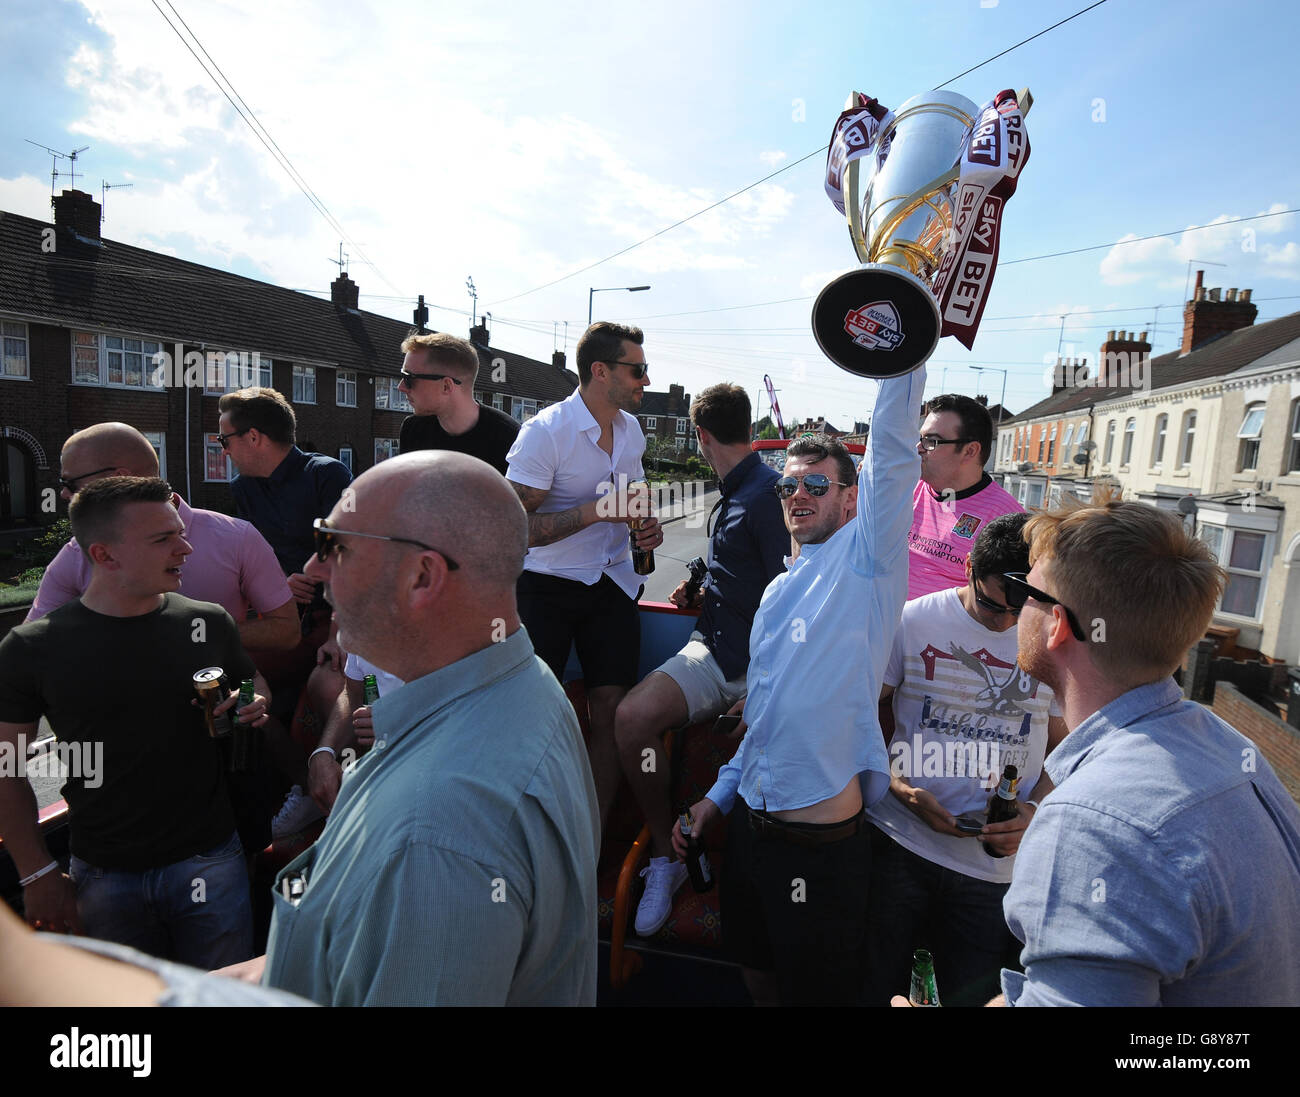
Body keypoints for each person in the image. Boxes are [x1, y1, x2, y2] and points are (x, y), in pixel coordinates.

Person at [242, 451, 599, 1005]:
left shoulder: (434, 831)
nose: (314, 570)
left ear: (422, 576)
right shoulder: (517, 678)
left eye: (334, 545)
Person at [675, 364, 926, 1006]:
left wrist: (902, 347)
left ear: (850, 498)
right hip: (752, 833)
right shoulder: (776, 593)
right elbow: (763, 721)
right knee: (756, 973)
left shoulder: (867, 565)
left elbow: (895, 456)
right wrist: (716, 798)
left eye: (818, 483)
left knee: (818, 995)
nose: (798, 494)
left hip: (820, 850)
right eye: (788, 486)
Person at [995, 492, 1300, 1006]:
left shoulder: (1094, 822)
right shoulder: (1234, 753)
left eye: (1027, 590)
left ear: (1059, 626)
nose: (1019, 602)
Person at [0, 477, 271, 969]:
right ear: (104, 556)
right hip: (101, 874)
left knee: (223, 998)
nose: (186, 547)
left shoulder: (208, 622)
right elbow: (6, 769)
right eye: (163, 538)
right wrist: (36, 874)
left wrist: (250, 703)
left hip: (211, 862)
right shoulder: (31, 649)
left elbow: (255, 685)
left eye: (179, 531)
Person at [865, 512, 1065, 1006]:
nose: (1006, 622)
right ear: (969, 566)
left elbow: (1069, 750)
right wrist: (898, 788)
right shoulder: (913, 620)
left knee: (969, 996)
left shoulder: (1053, 642)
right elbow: (860, 717)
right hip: (898, 844)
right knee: (876, 987)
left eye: (1018, 609)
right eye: (992, 606)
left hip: (992, 874)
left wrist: (1034, 811)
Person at [615, 383, 787, 936]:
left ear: (703, 436)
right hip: (711, 652)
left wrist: (763, 691)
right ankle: (668, 856)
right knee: (632, 718)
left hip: (755, 670)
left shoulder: (766, 496)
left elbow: (791, 595)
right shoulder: (736, 491)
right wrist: (704, 588)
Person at [506, 321, 664, 829]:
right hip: (546, 586)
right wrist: (598, 512)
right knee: (533, 713)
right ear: (601, 371)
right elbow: (513, 530)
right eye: (637, 369)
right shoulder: (545, 433)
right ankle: (531, 830)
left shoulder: (632, 430)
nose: (645, 379)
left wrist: (647, 528)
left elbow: (632, 503)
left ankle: (590, 838)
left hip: (613, 581)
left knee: (613, 709)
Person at [27, 422, 298, 652]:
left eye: (70, 483)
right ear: (103, 554)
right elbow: (33, 644)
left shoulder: (237, 537)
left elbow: (287, 631)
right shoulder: (77, 552)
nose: (63, 493)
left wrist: (197, 634)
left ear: (120, 479)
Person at [217, 386, 352, 589]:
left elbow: (349, 549)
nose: (223, 452)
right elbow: (251, 559)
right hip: (281, 610)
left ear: (253, 437)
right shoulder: (242, 487)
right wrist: (279, 583)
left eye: (223, 441)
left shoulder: (328, 475)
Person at [908, 393, 1021, 600]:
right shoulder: (904, 489)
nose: (919, 449)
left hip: (940, 631)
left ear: (970, 451)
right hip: (878, 626)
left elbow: (1006, 608)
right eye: (920, 439)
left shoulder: (1007, 520)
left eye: (931, 441)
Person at [396, 331, 520, 475]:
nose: (401, 387)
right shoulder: (413, 429)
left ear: (446, 386)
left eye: (409, 378)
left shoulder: (510, 439)